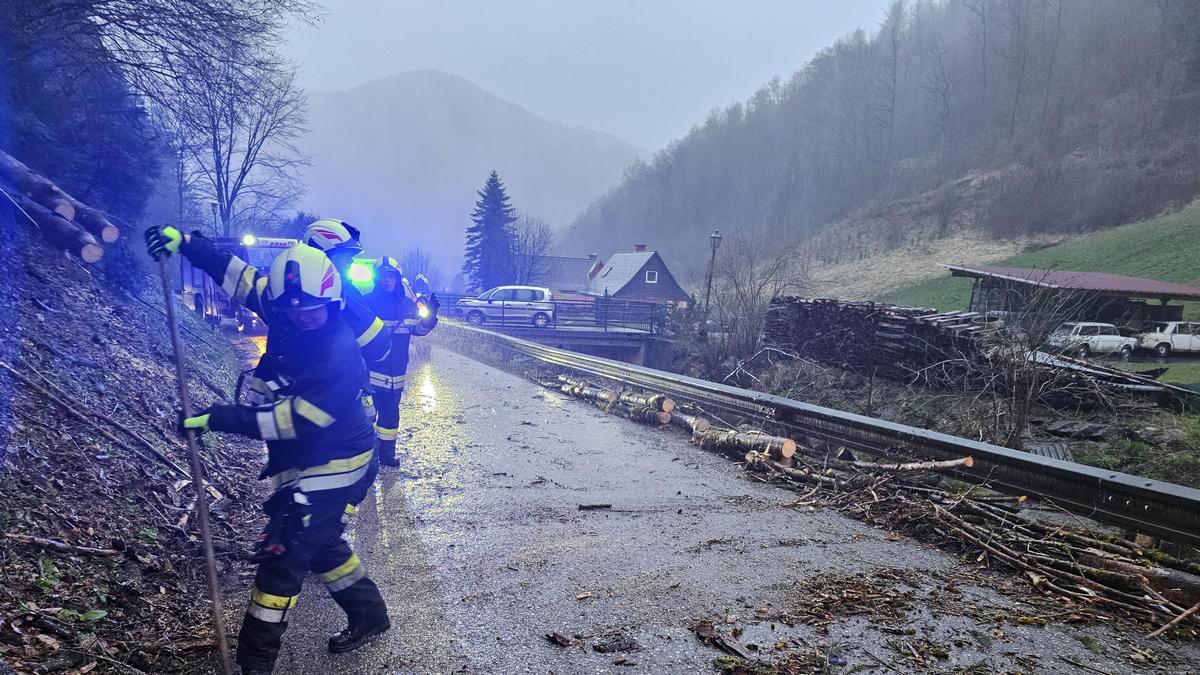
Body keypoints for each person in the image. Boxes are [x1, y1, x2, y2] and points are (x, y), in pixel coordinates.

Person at [146, 229, 390, 674]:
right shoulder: (284, 305)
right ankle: (370, 614)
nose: (302, 319)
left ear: (332, 303)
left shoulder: (340, 357)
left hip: (340, 460)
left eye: (313, 311)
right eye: (293, 311)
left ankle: (254, 664)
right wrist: (185, 243)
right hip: (300, 455)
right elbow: (236, 275)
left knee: (286, 552)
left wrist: (219, 417)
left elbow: (287, 420)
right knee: (323, 544)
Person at [364, 256, 439, 466]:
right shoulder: (367, 303)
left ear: (397, 279)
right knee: (367, 418)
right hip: (370, 374)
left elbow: (419, 330)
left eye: (391, 276)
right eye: (383, 276)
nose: (387, 280)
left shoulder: (407, 305)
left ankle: (386, 457)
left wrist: (430, 318)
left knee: (389, 418)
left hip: (396, 374)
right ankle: (367, 459)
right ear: (376, 279)